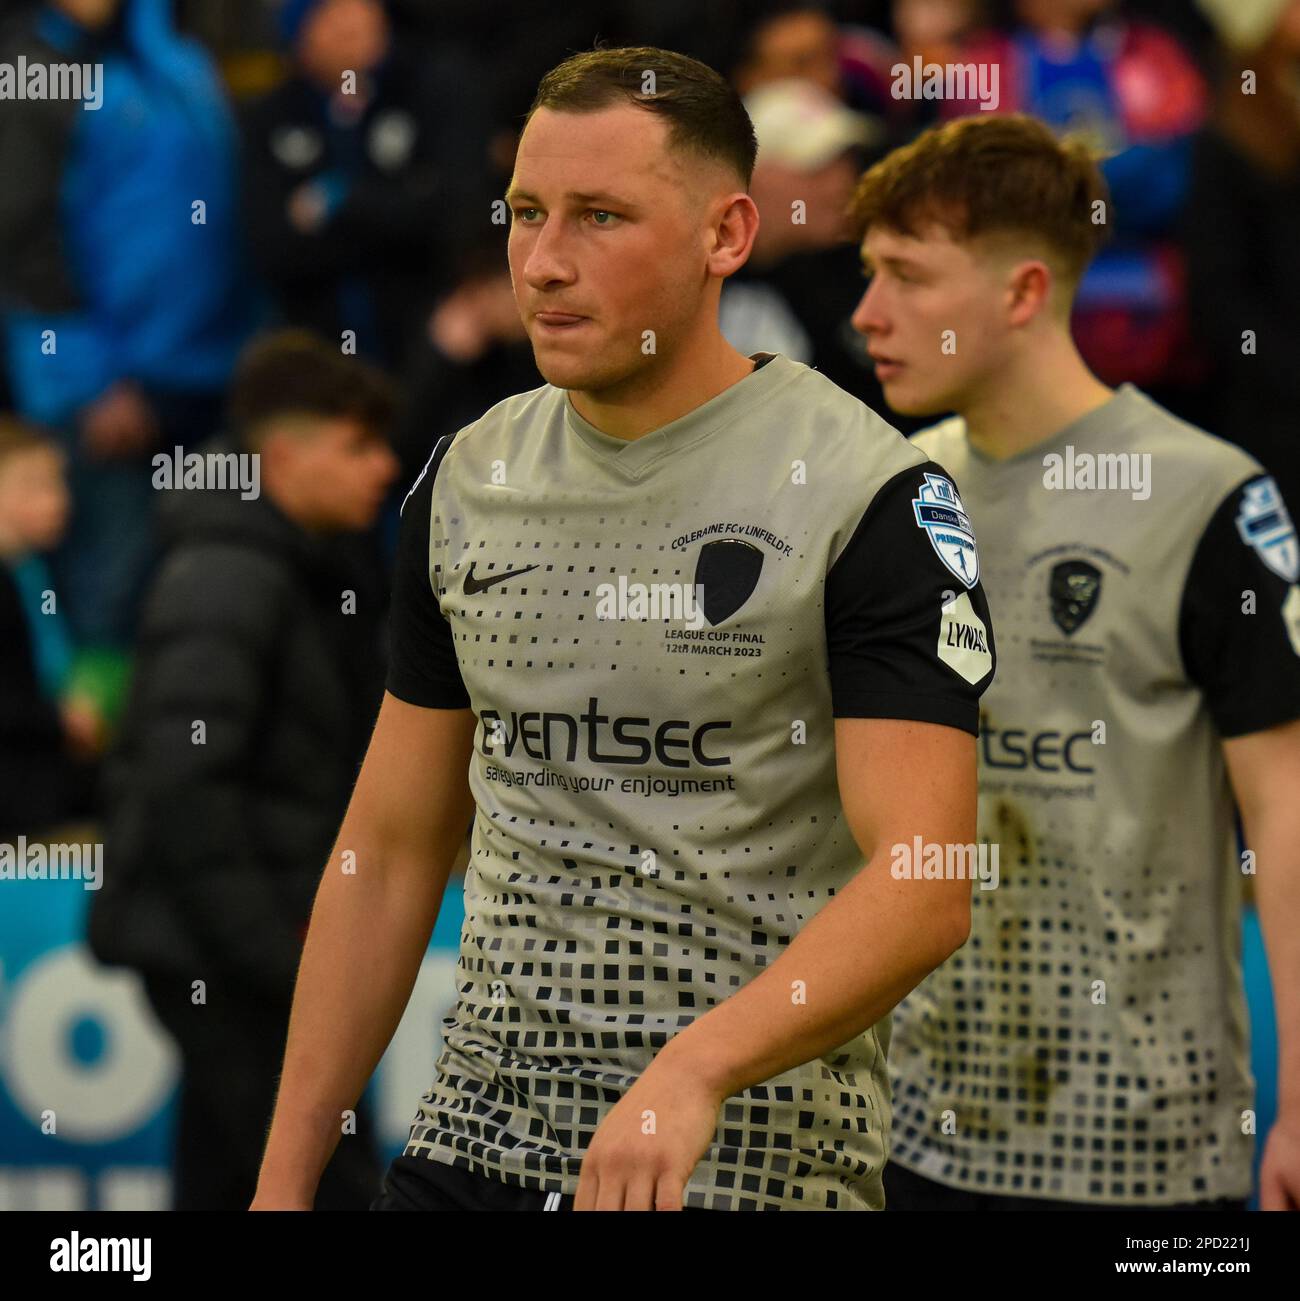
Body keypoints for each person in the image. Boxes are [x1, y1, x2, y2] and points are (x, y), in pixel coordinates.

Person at [252, 44, 997, 1214]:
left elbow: (925, 879)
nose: (543, 264)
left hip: (746, 1171)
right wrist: (283, 1184)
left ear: (727, 234)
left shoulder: (871, 492)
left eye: (600, 217)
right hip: (472, 1149)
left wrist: (694, 1068)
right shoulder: (468, 471)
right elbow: (389, 854)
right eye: (527, 213)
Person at [847, 113, 1300, 1211]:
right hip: (915, 1132)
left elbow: (1285, 805)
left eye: (907, 276)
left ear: (1021, 293)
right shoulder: (890, 490)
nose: (866, 313)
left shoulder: (1208, 496)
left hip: (1142, 1146)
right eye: (868, 273)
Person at [86, 332, 399, 1211]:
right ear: (285, 454)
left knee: (230, 1174)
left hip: (227, 944)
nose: (384, 467)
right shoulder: (231, 574)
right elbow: (186, 785)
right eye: (358, 445)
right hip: (227, 947)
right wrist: (278, 949)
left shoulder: (292, 564)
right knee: (326, 1176)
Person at [0, 0, 260, 649]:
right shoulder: (32, 70)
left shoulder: (176, 52)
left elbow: (225, 202)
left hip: (208, 369)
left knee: (210, 584)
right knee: (111, 592)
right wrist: (94, 379)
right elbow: (22, 239)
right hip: (104, 393)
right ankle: (98, 744)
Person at [0, 417, 99, 838]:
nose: (59, 500)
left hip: (41, 776)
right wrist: (59, 720)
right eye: (36, 486)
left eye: (59, 483)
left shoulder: (33, 572)